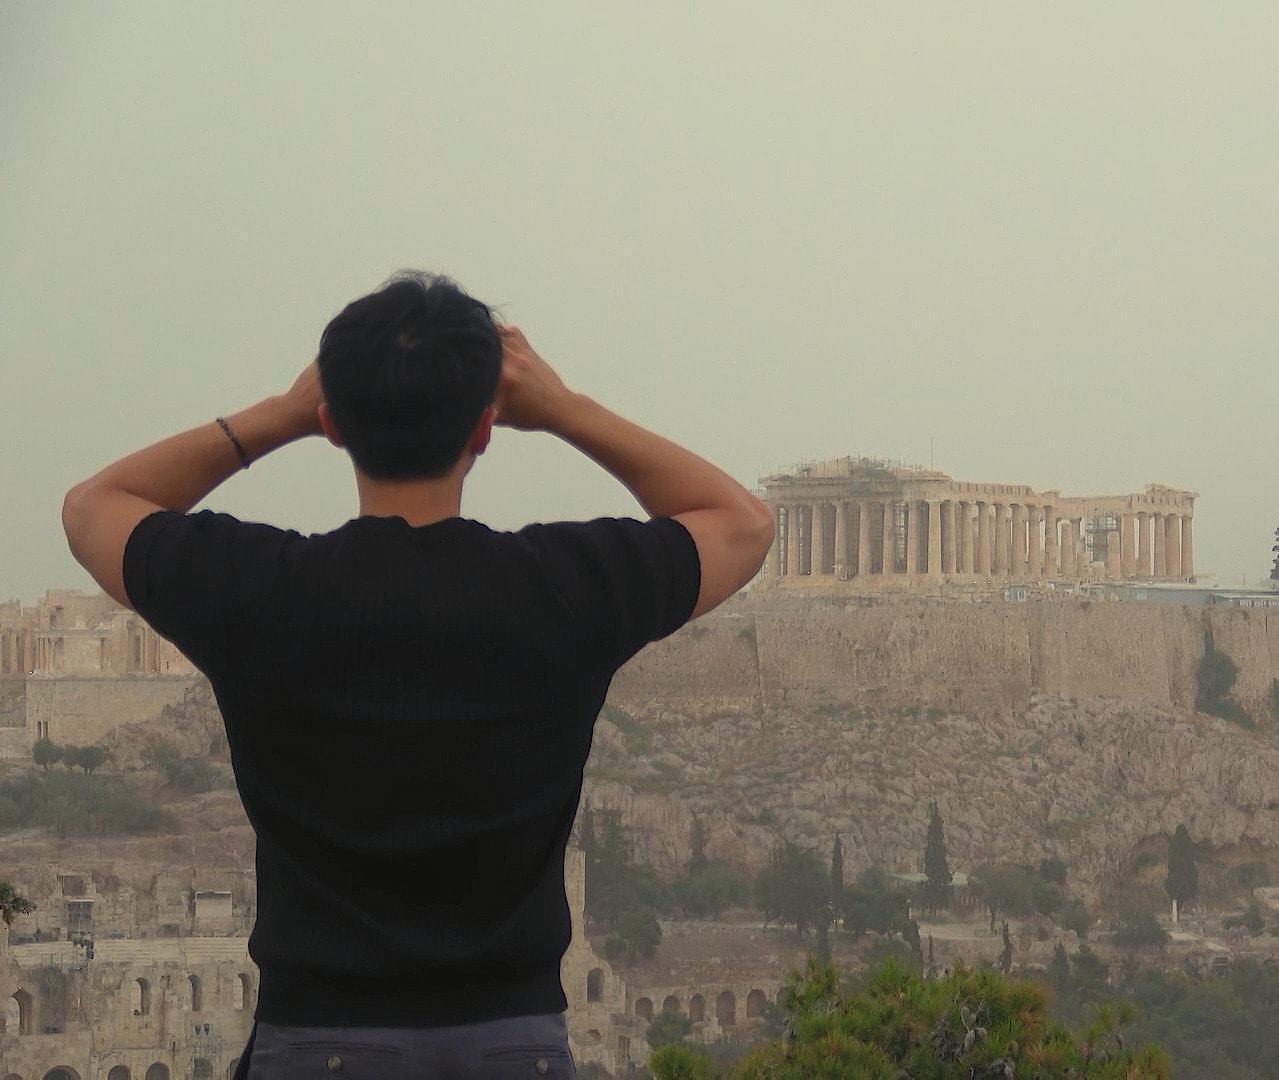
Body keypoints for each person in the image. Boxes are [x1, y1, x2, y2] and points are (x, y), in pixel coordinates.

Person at [59, 271, 775, 1079]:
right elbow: (742, 524)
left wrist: (282, 414)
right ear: (485, 429)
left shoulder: (261, 590)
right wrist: (564, 407)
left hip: (318, 1041)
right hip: (513, 1045)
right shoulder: (564, 588)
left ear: (334, 422)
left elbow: (93, 507)